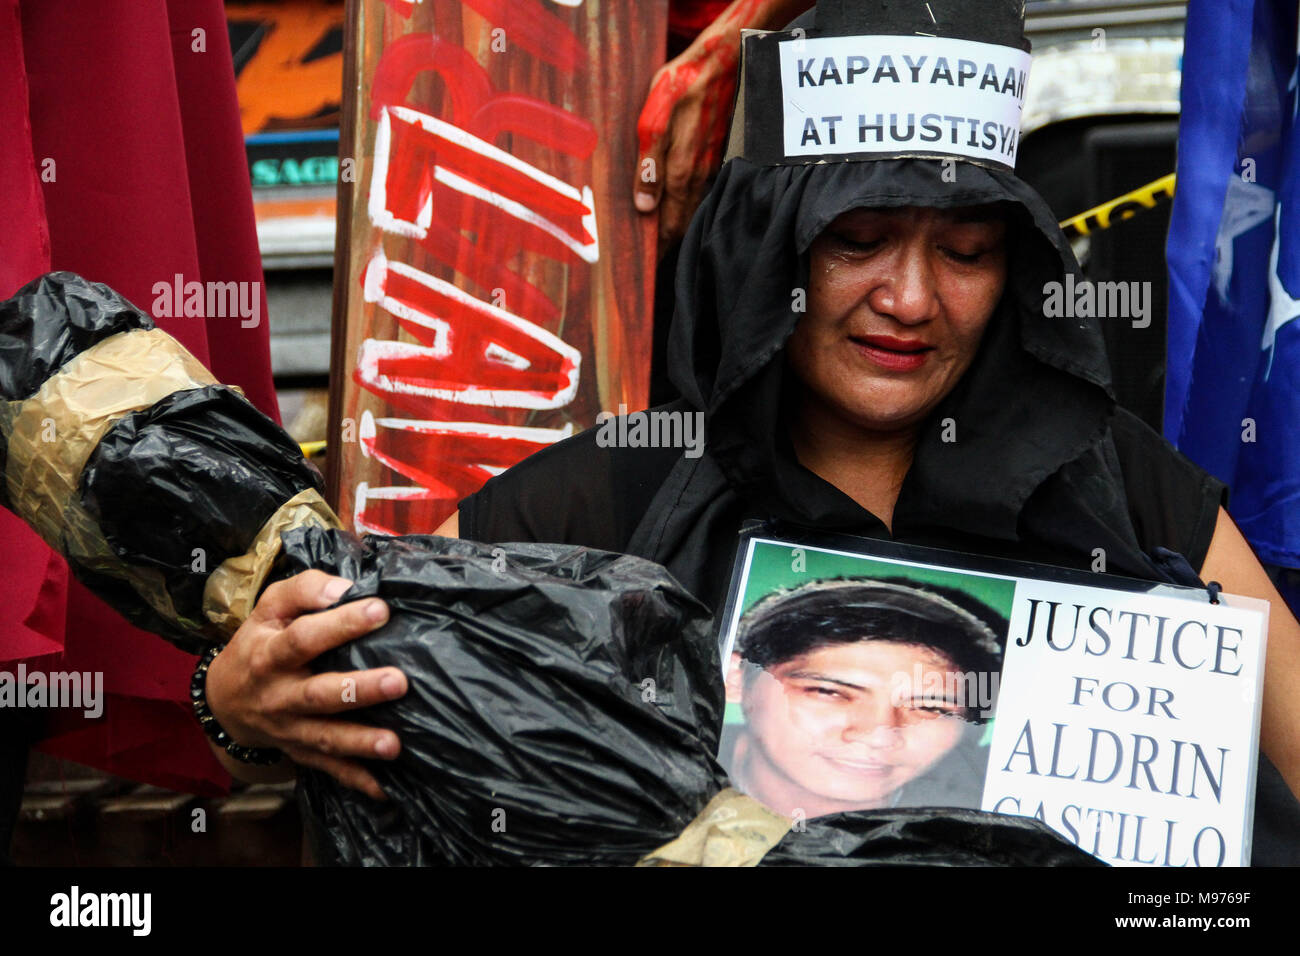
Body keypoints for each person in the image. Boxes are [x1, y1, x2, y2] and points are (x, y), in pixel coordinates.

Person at [201, 1, 1300, 858]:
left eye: (964, 252)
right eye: (857, 239)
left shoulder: (1118, 478)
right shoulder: (588, 506)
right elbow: (351, 695)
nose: (911, 299)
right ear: (768, 248)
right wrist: (244, 703)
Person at [721, 578, 1004, 819]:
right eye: (828, 692)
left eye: (930, 707)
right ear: (736, 678)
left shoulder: (992, 822)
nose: (879, 736)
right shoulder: (681, 757)